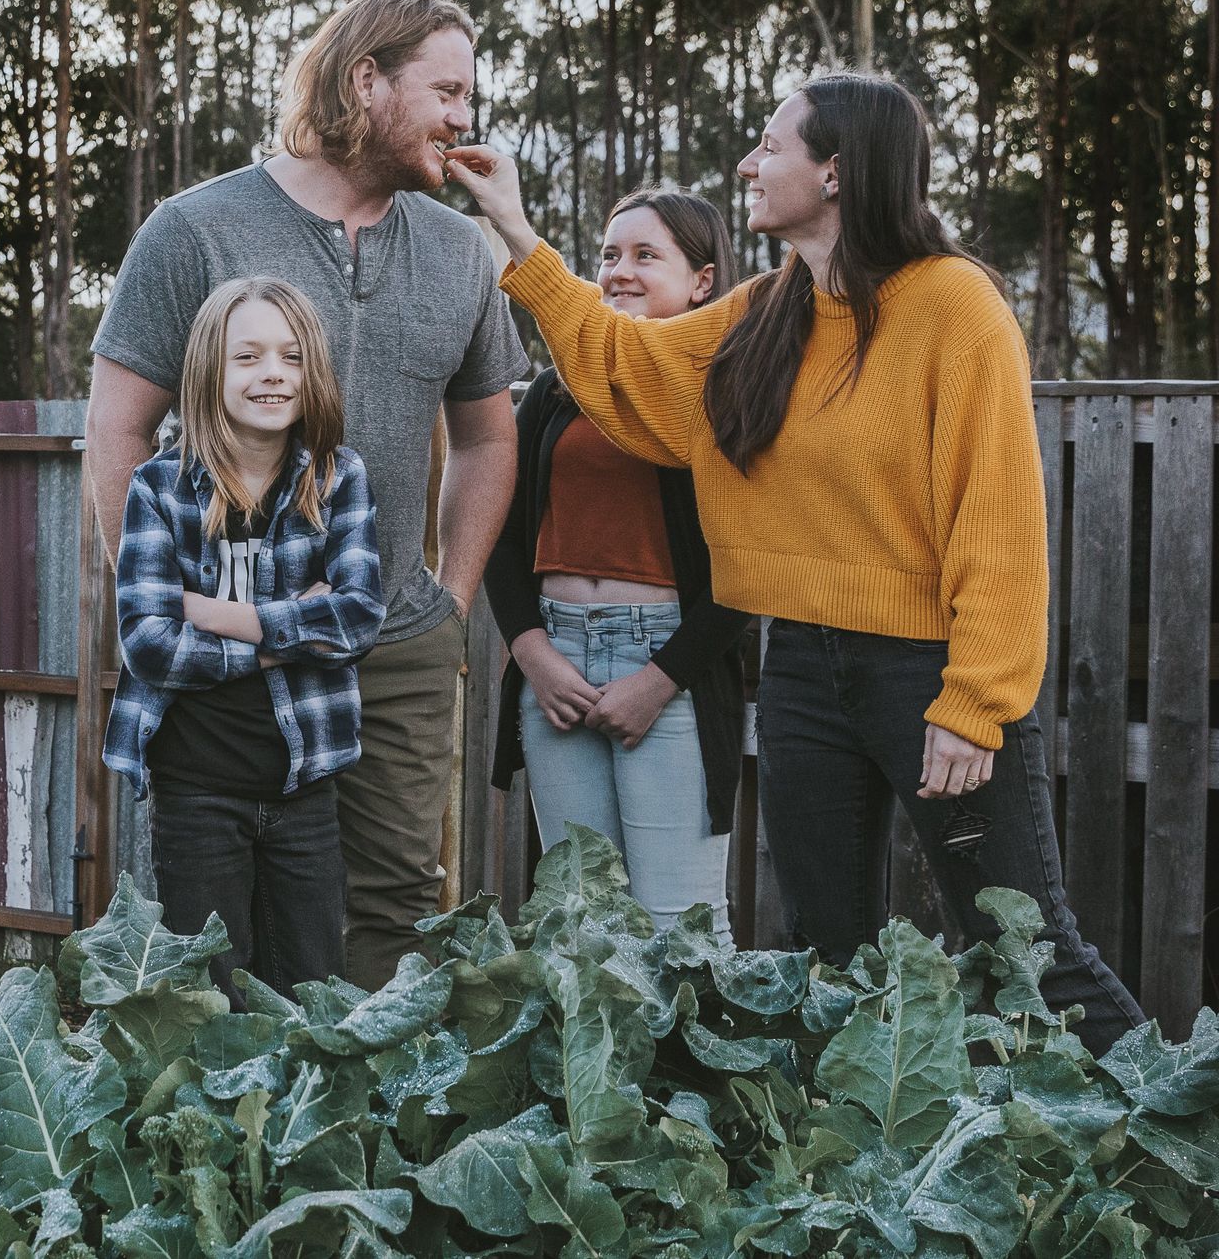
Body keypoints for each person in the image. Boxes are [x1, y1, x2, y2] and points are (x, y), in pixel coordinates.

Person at [445, 72, 1145, 1051]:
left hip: (931, 672)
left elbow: (998, 520)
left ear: (834, 170)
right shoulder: (767, 310)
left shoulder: (954, 305)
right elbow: (629, 370)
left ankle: (1182, 1135)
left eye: (769, 146)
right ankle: (850, 1180)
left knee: (1023, 953)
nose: (747, 164)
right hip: (803, 670)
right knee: (826, 953)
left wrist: (975, 702)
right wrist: (517, 232)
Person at [87, 0, 523, 990]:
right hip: (232, 638)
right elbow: (114, 426)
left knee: (394, 896)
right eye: (445, 90)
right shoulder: (196, 229)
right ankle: (223, 1130)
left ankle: (356, 1126)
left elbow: (488, 437)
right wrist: (169, 600)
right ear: (364, 79)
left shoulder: (459, 252)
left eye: (470, 95)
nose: (464, 118)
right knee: (215, 912)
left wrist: (448, 600)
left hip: (393, 636)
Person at [483, 188, 752, 939]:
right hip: (556, 669)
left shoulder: (726, 398)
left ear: (702, 281)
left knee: (680, 930)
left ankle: (694, 1063)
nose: (618, 271)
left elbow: (749, 568)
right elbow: (501, 538)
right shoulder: (553, 393)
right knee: (579, 932)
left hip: (670, 674)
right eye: (608, 255)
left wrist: (658, 680)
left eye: (645, 255)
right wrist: (532, 654)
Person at [109, 277, 385, 1003]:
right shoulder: (159, 487)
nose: (272, 373)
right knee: (210, 997)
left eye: (291, 357)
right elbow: (148, 643)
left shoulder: (337, 477)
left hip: (305, 785)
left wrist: (231, 618)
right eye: (249, 357)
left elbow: (358, 617)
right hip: (196, 790)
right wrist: (290, 630)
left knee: (313, 990)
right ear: (209, 370)